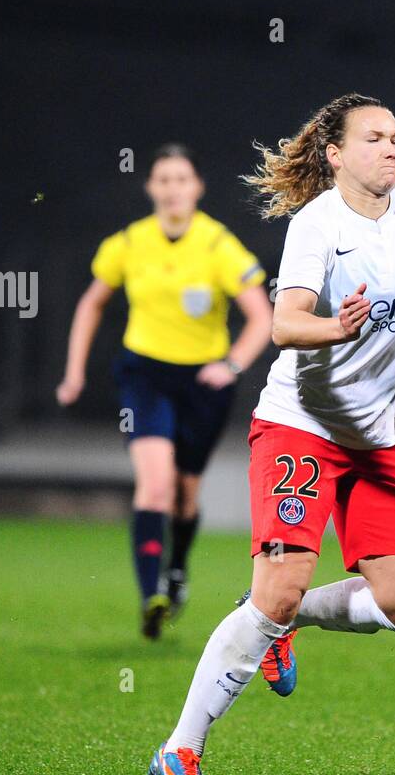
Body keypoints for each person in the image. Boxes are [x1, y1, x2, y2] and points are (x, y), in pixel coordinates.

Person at [148, 94, 395, 775]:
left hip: (377, 436)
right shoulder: (318, 225)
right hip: (303, 424)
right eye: (375, 138)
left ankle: (287, 622)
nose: (394, 149)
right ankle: (180, 747)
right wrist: (337, 327)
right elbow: (287, 323)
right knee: (278, 590)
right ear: (334, 155)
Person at [56, 144, 273, 640]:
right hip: (145, 376)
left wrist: (232, 364)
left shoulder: (219, 246)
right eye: (163, 180)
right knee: (154, 484)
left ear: (197, 187)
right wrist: (74, 373)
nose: (173, 189)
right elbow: (91, 304)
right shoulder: (128, 244)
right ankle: (150, 593)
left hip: (203, 383)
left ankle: (176, 569)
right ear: (151, 188)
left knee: (183, 495)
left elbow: (262, 316)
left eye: (182, 179)